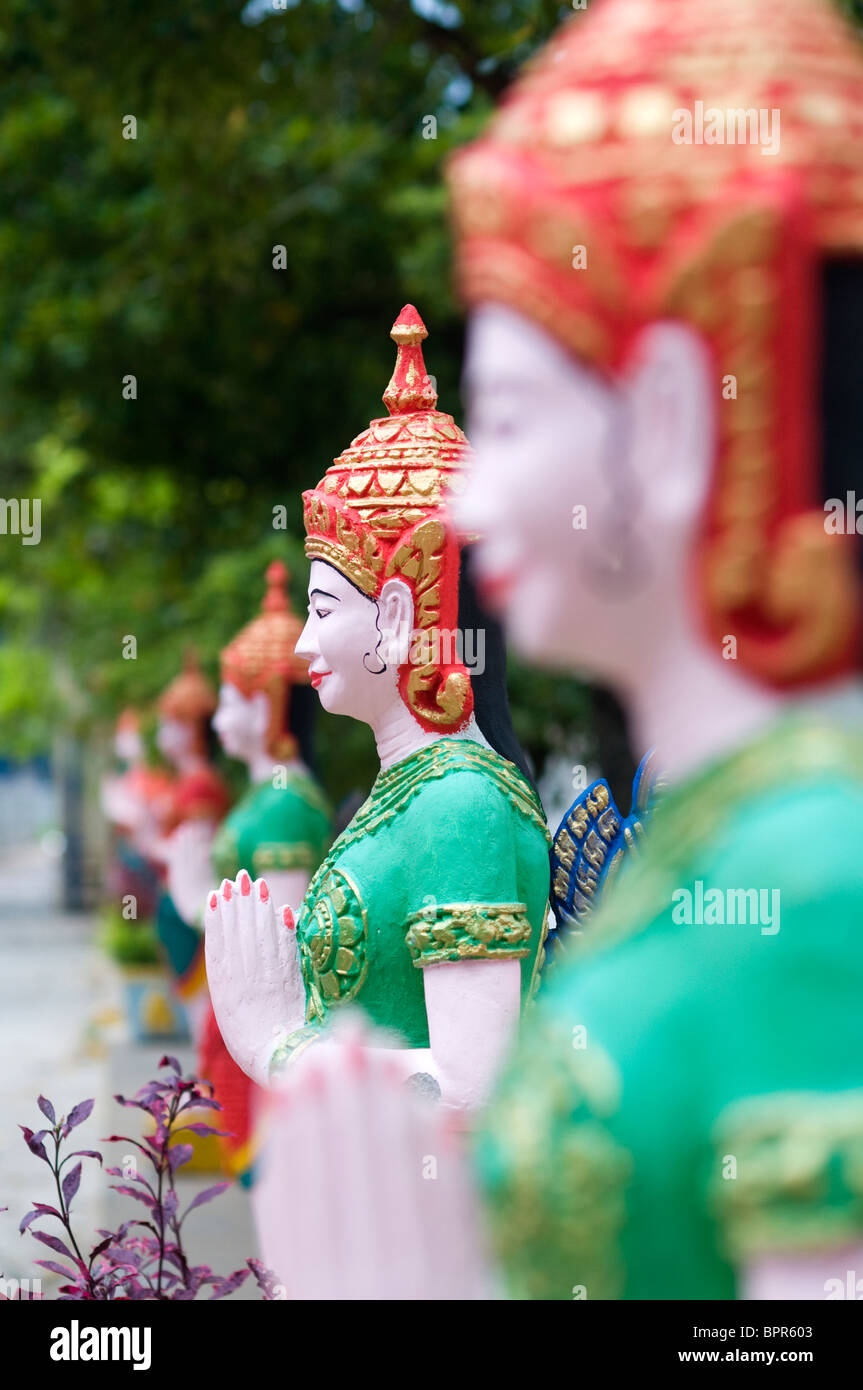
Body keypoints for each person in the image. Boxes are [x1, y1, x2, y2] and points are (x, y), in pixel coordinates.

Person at [445, 0, 863, 1298]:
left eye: (508, 421)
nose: (463, 506)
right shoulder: (714, 841)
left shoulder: (817, 879)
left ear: (676, 418)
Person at [205, 305, 551, 1118]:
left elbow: (471, 1084)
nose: (303, 643)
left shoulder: (458, 805)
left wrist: (277, 1043)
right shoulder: (414, 797)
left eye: (325, 608)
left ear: (399, 616)